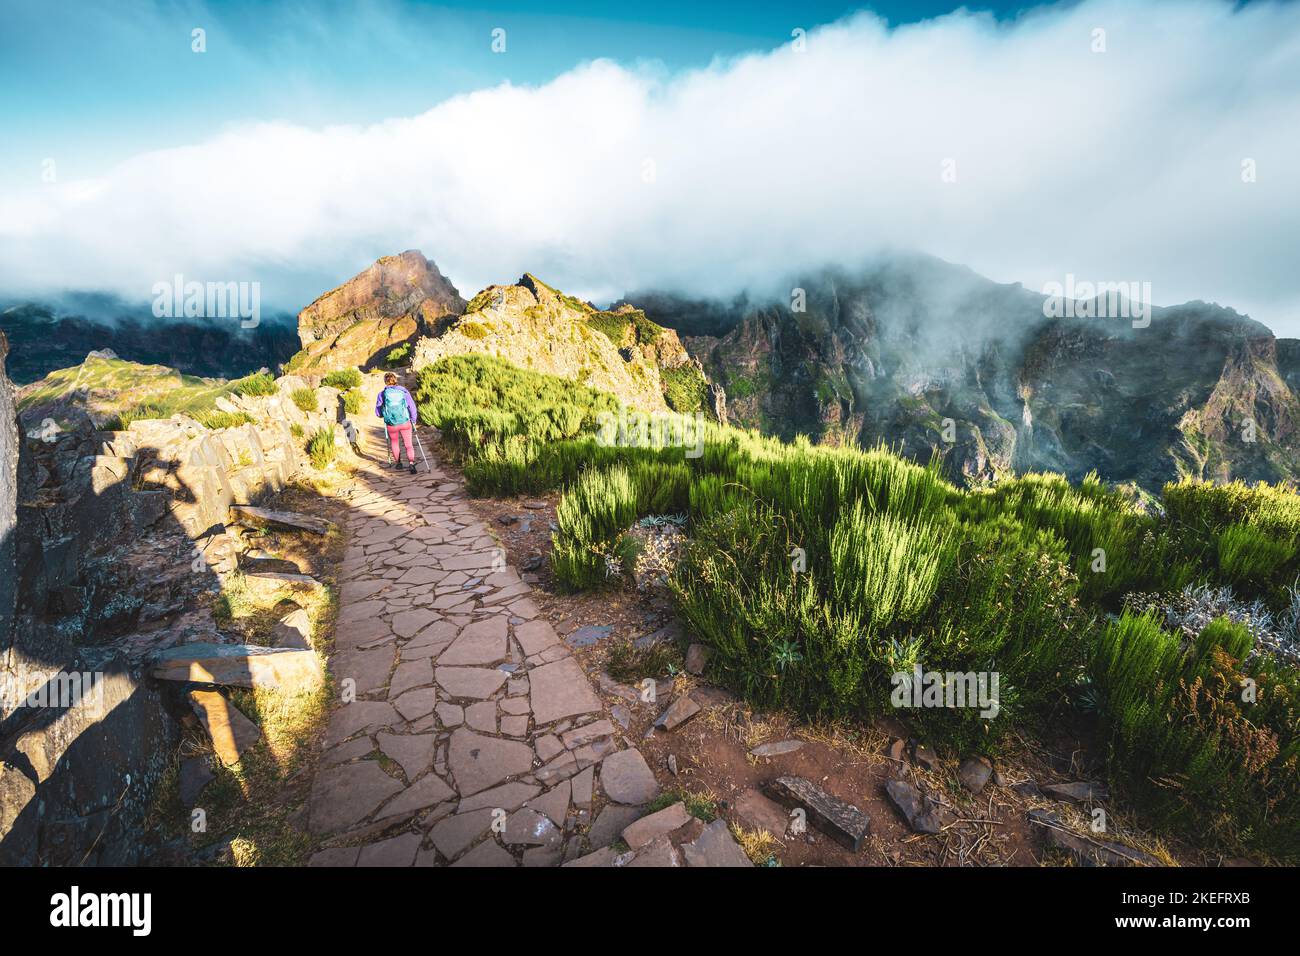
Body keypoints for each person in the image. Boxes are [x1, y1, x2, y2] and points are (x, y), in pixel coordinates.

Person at [376, 372, 419, 473]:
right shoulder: (404, 392)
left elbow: (378, 412)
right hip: (405, 422)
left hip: (391, 424)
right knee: (408, 444)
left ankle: (398, 463)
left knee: (394, 443)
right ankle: (411, 464)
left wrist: (384, 415)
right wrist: (413, 419)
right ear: (396, 380)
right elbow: (412, 407)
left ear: (385, 382)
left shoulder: (381, 394)